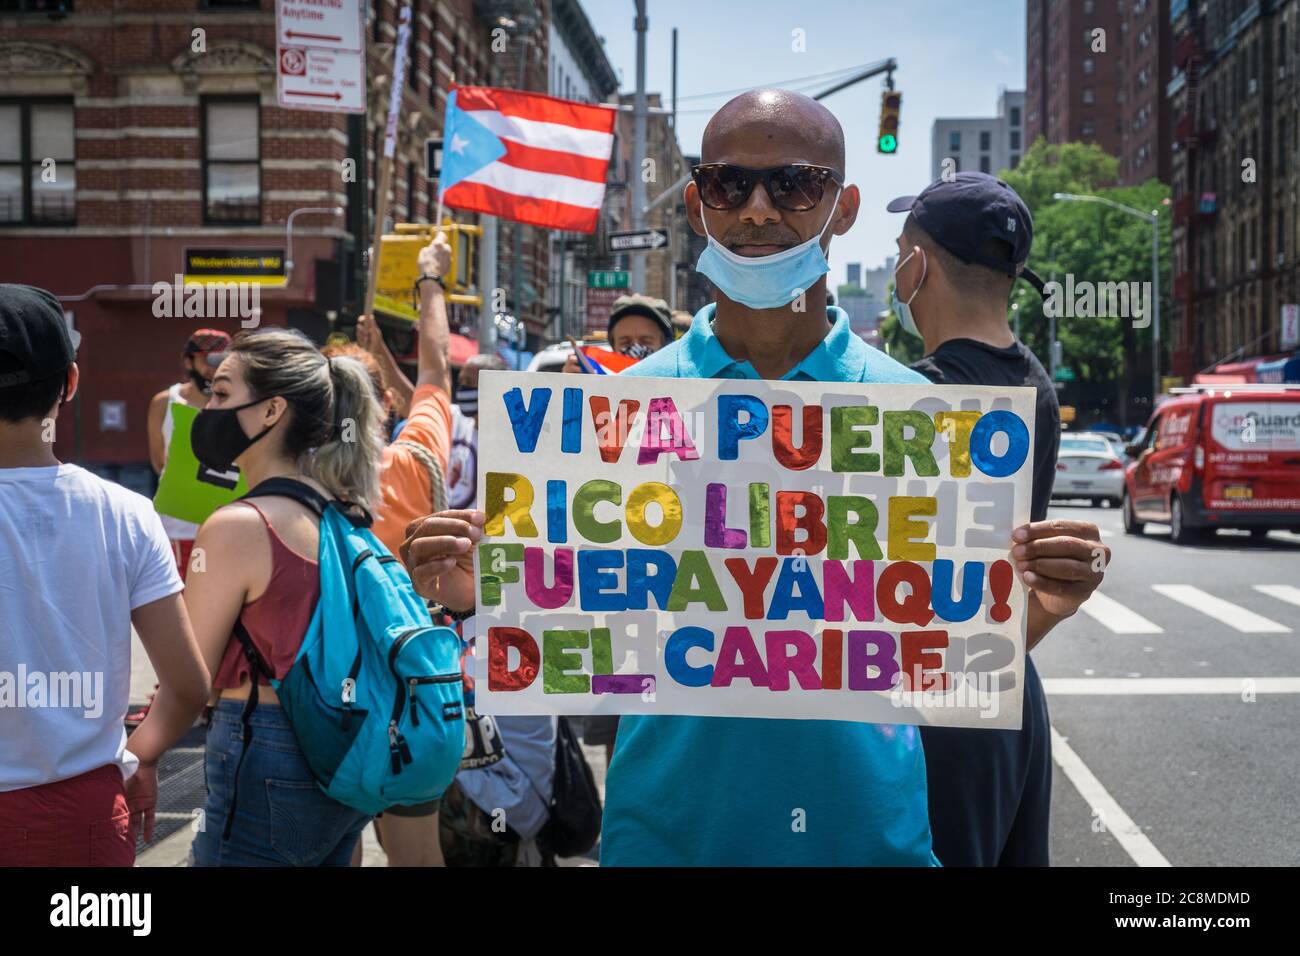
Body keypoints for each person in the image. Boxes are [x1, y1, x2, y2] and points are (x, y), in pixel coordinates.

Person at [886, 172, 1110, 866]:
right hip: (1005, 699)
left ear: (915, 267)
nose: (898, 264)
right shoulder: (1035, 384)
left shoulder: (916, 397)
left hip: (931, 713)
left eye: (901, 250)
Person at [0, 284, 210, 866]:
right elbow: (188, 687)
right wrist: (140, 756)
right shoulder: (125, 513)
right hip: (86, 816)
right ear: (69, 383)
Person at [184, 327, 385, 867]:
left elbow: (189, 679)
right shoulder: (347, 516)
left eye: (223, 394)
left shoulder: (237, 526)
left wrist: (142, 756)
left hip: (265, 745)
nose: (208, 406)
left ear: (272, 411)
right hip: (344, 750)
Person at [342, 233, 456, 867]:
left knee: (337, 846)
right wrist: (429, 280)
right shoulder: (412, 463)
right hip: (412, 693)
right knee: (416, 854)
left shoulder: (297, 488)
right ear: (384, 406)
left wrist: (376, 353)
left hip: (326, 701)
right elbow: (436, 371)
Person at [147, 328, 239, 579]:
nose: (214, 368)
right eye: (208, 360)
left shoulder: (240, 404)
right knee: (180, 603)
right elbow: (159, 462)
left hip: (229, 527)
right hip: (179, 528)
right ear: (189, 361)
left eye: (221, 360)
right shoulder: (165, 402)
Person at [446, 353, 507, 510]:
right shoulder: (455, 418)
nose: (462, 388)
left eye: (469, 382)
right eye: (461, 382)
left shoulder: (512, 438)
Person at [562, 293, 674, 373]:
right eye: (625, 342)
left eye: (646, 341)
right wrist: (569, 385)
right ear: (613, 344)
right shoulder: (597, 382)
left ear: (664, 344)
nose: (635, 348)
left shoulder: (682, 384)